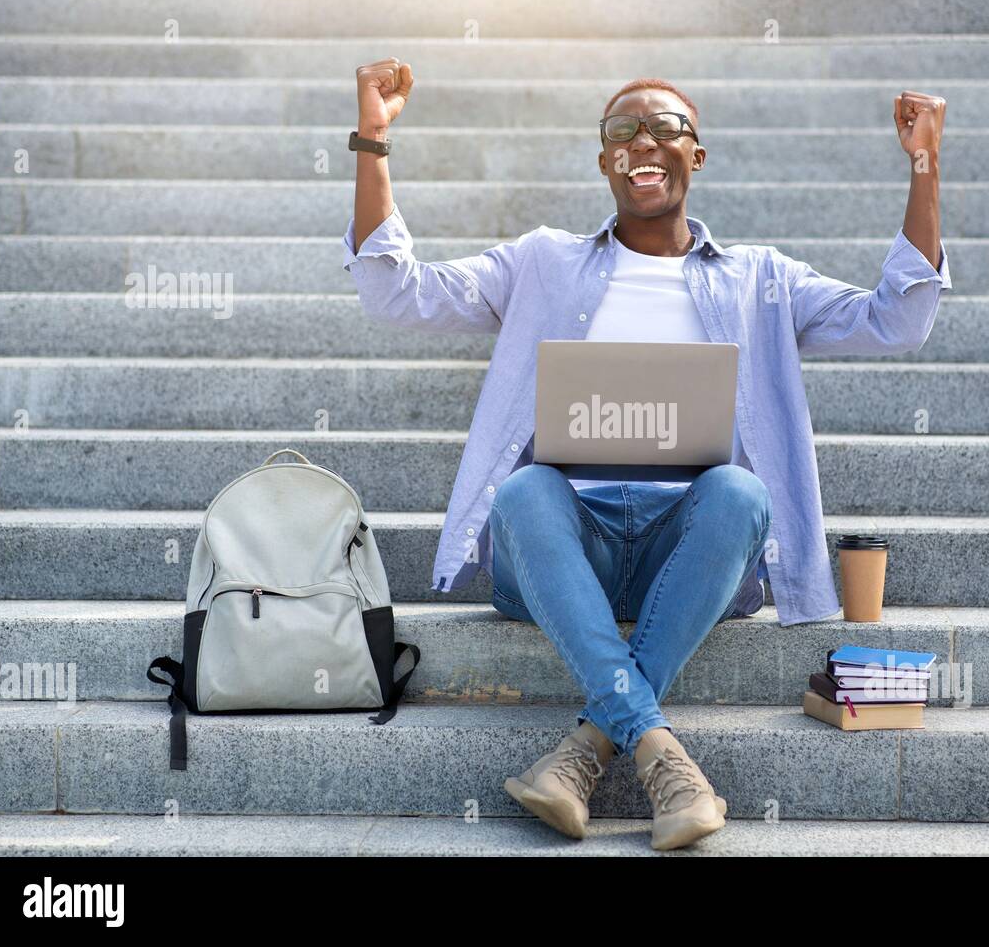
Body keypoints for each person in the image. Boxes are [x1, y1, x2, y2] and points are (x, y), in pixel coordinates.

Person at [343, 59, 950, 850]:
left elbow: (897, 321)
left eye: (667, 127)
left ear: (697, 156)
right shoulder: (541, 262)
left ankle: (587, 750)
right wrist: (372, 142)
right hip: (563, 550)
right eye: (623, 130)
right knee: (525, 493)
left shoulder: (761, 278)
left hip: (689, 550)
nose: (645, 141)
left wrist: (925, 164)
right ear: (605, 160)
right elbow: (395, 292)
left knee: (737, 491)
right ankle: (663, 757)